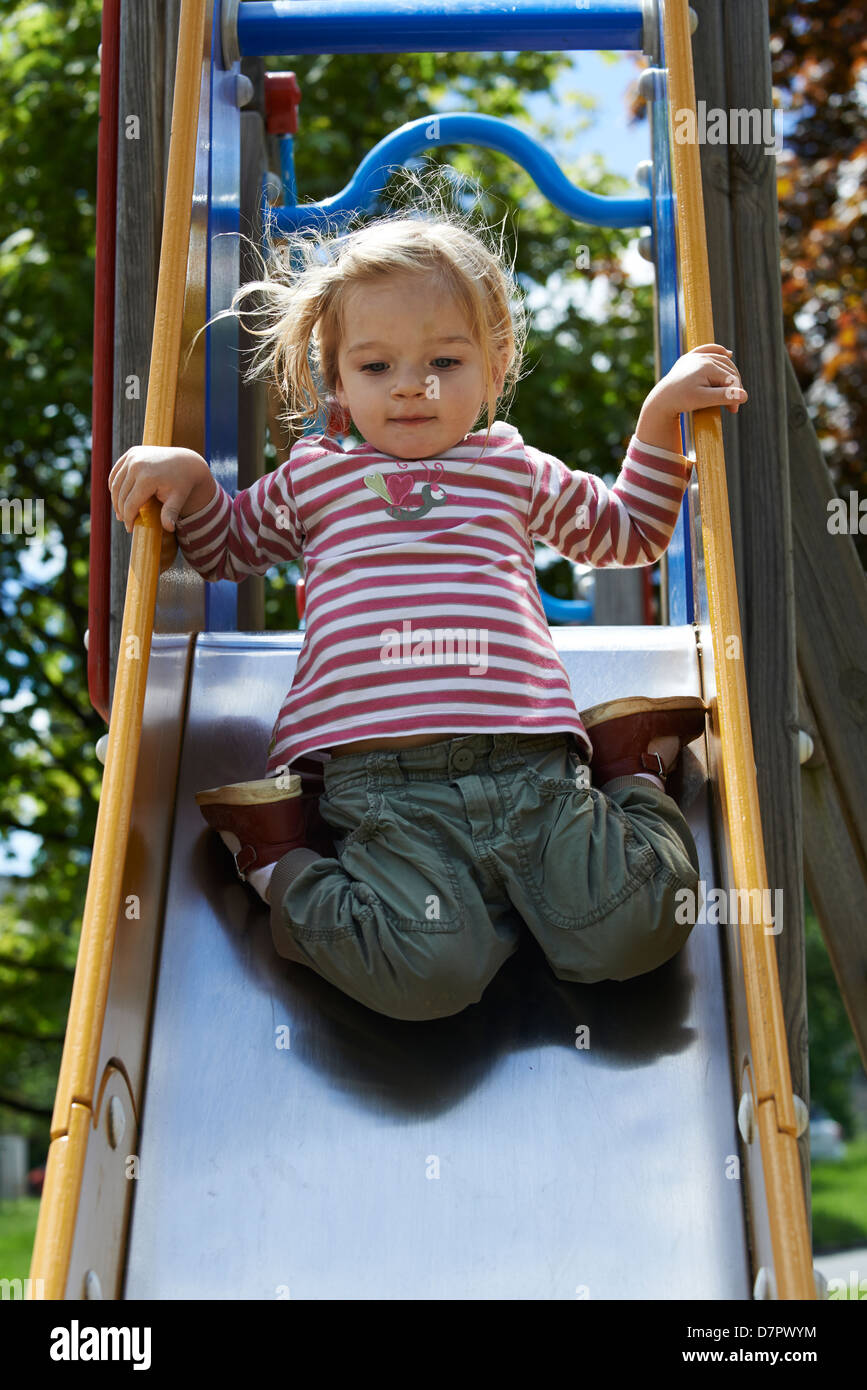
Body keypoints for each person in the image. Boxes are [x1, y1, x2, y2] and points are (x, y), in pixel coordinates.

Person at [108, 198, 747, 1022]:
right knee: (429, 979)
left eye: (444, 360)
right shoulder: (316, 477)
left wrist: (659, 420)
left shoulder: (511, 468)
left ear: (495, 362)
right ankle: (280, 858)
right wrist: (192, 478)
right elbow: (228, 548)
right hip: (379, 785)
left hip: (533, 769)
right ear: (335, 379)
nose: (412, 386)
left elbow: (625, 533)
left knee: (639, 929)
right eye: (375, 368)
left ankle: (627, 770)